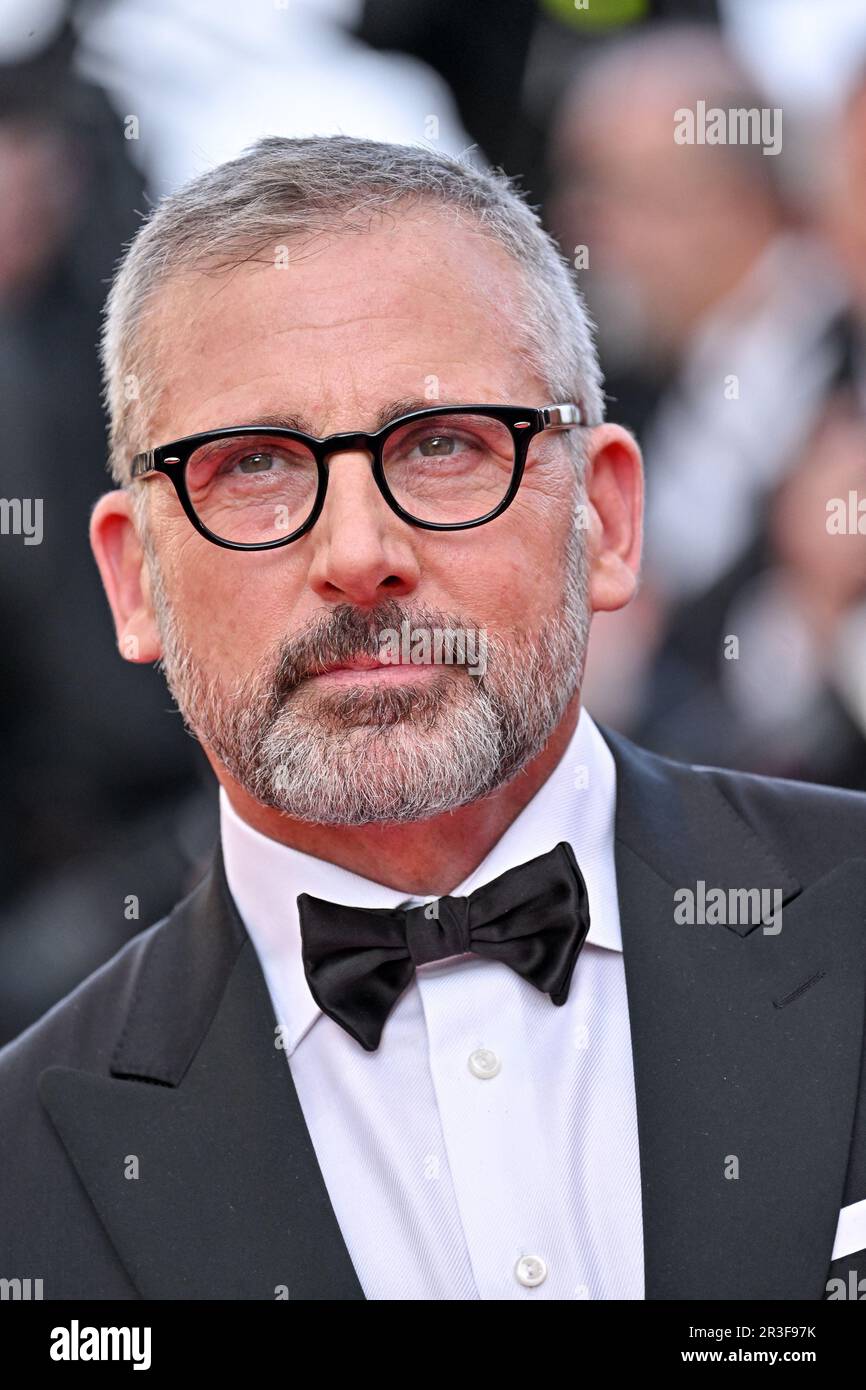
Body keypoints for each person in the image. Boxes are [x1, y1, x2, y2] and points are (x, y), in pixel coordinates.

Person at [1, 135, 865, 1302]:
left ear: (604, 519)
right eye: (253, 464)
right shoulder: (25, 1180)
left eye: (444, 444)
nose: (358, 554)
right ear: (132, 581)